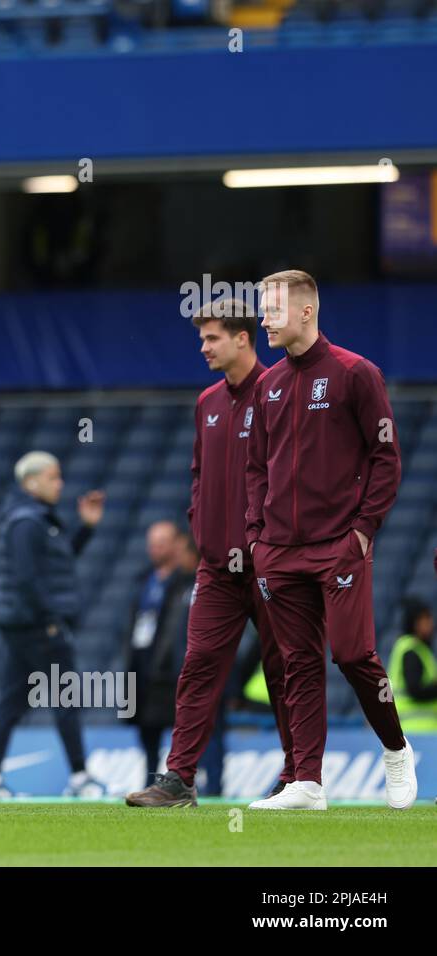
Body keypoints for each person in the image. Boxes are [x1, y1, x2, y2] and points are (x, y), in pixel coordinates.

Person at [245, 269, 415, 810]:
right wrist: (256, 538)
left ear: (306, 311)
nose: (263, 319)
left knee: (352, 654)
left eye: (271, 308)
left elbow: (386, 457)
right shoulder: (268, 385)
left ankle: (396, 749)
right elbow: (255, 469)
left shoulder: (355, 373)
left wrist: (364, 530)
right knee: (297, 664)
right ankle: (307, 783)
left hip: (339, 545)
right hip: (279, 552)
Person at [129, 299, 294, 807]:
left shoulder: (280, 394)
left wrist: (270, 545)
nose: (203, 347)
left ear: (243, 338)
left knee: (284, 670)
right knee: (198, 667)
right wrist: (200, 527)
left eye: (212, 338)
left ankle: (299, 776)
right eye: (202, 338)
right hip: (219, 568)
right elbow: (199, 475)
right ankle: (179, 779)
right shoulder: (207, 403)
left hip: (270, 565)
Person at [0, 450, 107, 799]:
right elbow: (27, 579)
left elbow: (56, 562)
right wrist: (52, 619)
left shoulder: (35, 518)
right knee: (65, 696)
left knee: (11, 699)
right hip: (36, 625)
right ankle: (80, 777)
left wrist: (87, 528)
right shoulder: (27, 521)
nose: (60, 483)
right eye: (54, 477)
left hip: (22, 623)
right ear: (31, 481)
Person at [125, 523, 195, 786]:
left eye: (162, 541)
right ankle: (150, 780)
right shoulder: (143, 580)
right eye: (152, 542)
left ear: (176, 543)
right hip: (141, 663)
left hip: (169, 666)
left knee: (177, 723)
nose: (156, 548)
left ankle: (181, 779)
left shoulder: (185, 582)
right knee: (145, 727)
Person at [386, 598, 437, 733]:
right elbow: (414, 689)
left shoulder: (414, 648)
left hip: (416, 729)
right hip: (416, 729)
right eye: (424, 619)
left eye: (429, 618)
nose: (429, 623)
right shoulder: (411, 649)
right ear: (414, 622)